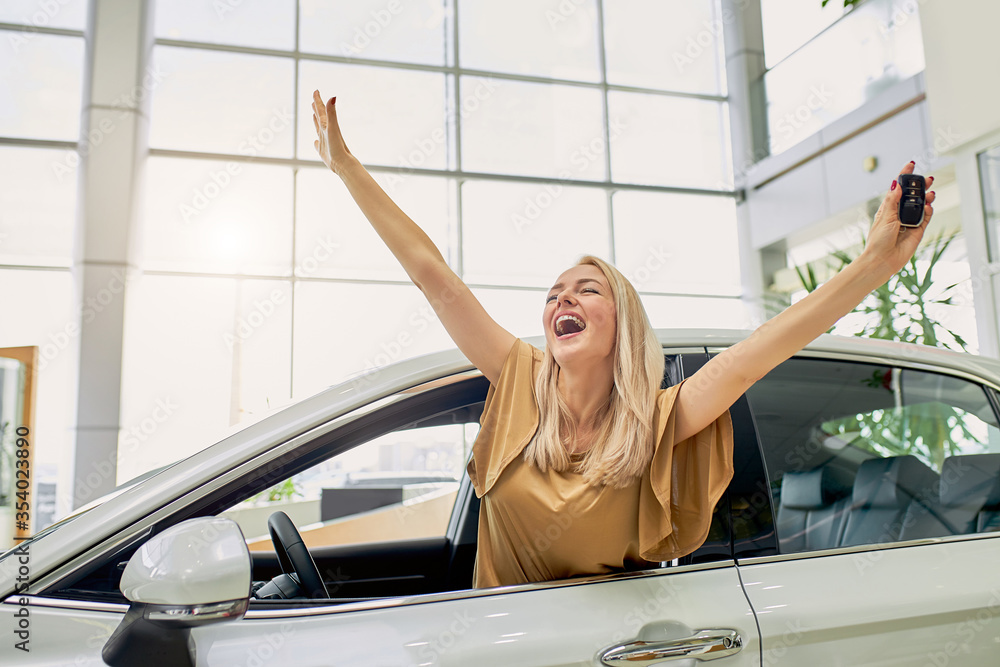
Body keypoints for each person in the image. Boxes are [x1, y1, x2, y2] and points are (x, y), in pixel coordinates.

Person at [310, 90, 936, 588]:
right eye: (554, 293)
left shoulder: (659, 422)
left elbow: (760, 352)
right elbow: (434, 276)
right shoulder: (520, 380)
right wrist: (346, 168)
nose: (562, 299)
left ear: (623, 325)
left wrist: (876, 264)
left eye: (587, 290)